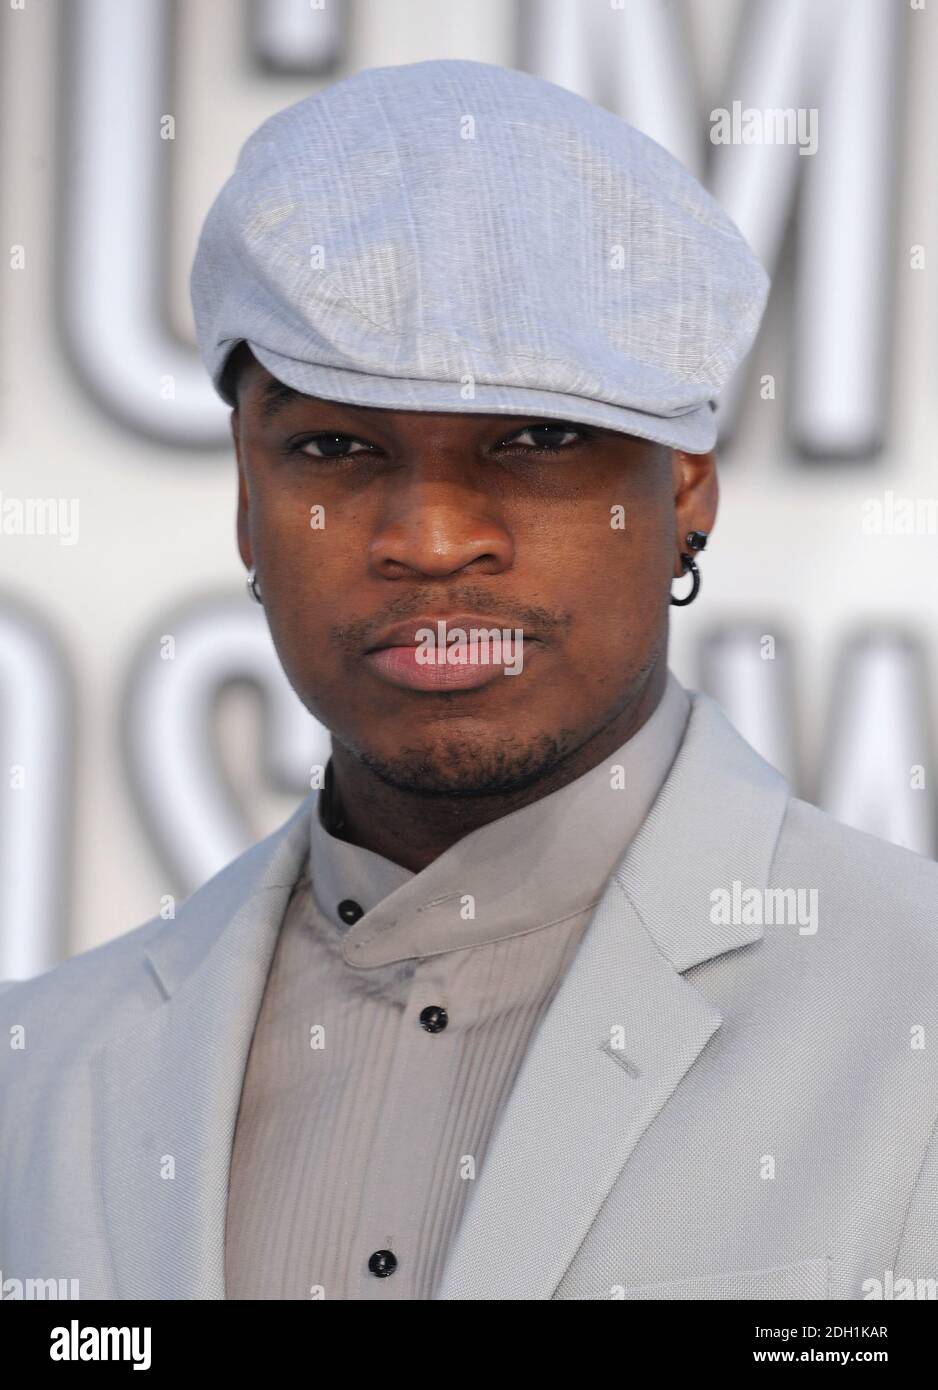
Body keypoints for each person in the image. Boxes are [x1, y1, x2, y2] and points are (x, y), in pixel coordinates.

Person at [2, 58, 937, 1303]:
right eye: (334, 445)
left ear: (687, 490)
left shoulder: (906, 1002)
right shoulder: (42, 1069)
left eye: (538, 439)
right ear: (246, 494)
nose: (432, 540)